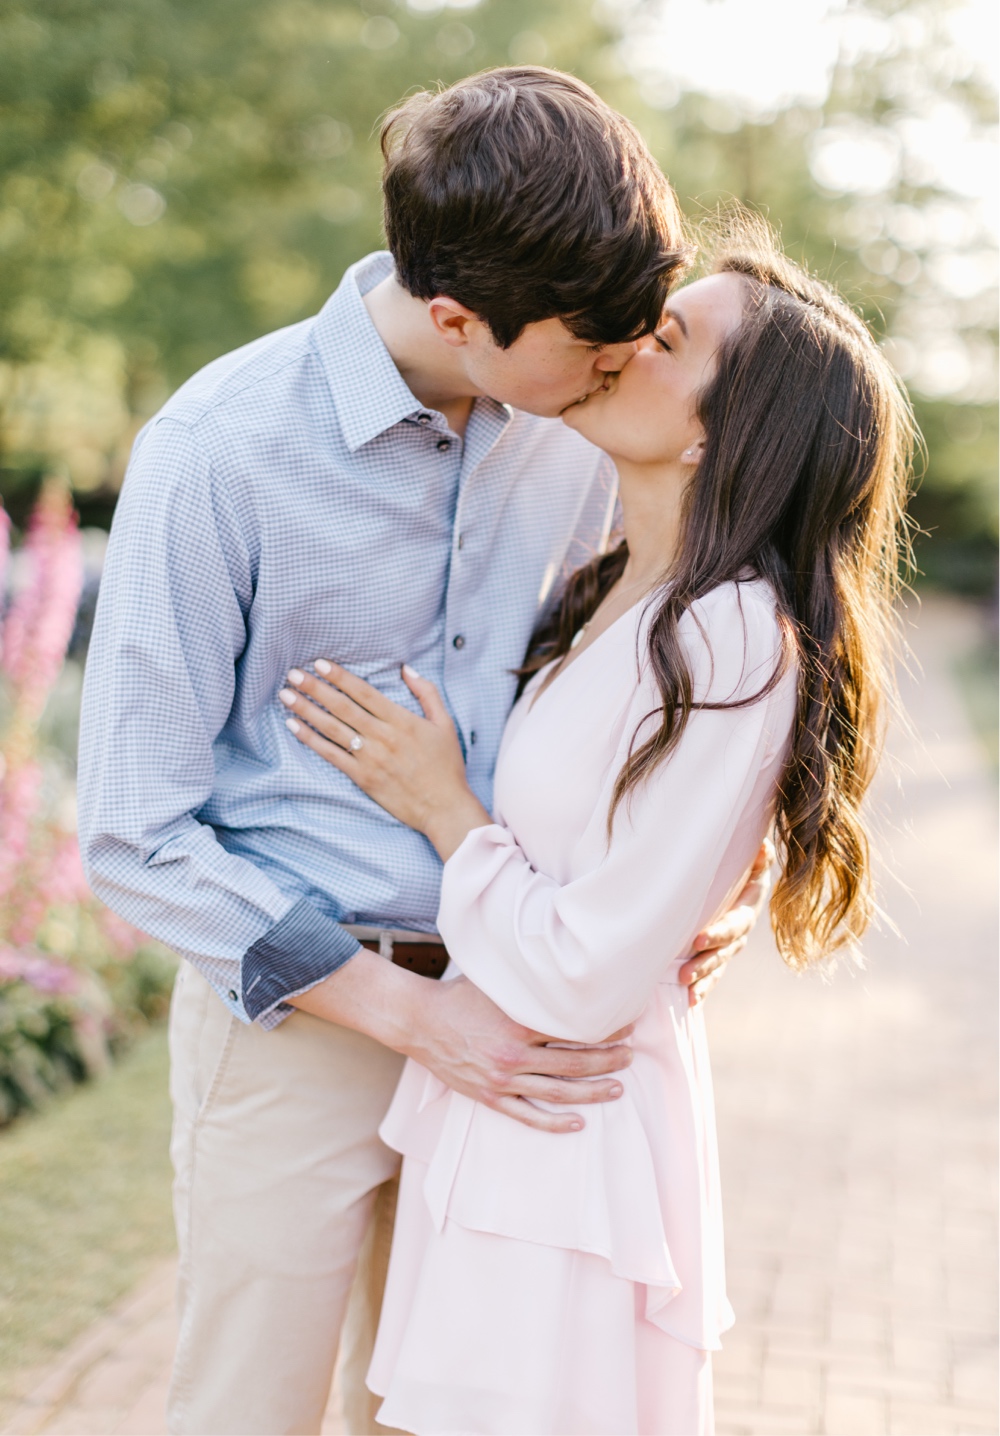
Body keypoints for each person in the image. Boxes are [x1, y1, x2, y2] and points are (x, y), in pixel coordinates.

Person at [76, 68, 765, 1436]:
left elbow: (650, 678)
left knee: (450, 1414)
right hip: (304, 1026)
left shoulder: (579, 436)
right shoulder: (218, 452)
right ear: (462, 320)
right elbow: (131, 836)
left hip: (523, 1014)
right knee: (246, 1411)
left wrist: (697, 877)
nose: (626, 363)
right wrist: (414, 1019)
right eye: (597, 343)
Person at [281, 214, 916, 1435]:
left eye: (666, 335)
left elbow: (583, 973)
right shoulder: (615, 587)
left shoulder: (730, 641)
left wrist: (444, 811)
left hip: (568, 1123)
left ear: (722, 435)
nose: (624, 337)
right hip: (512, 1109)